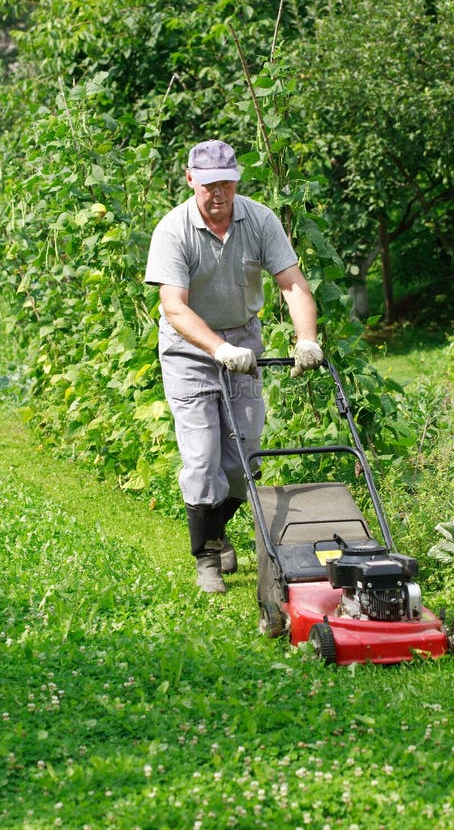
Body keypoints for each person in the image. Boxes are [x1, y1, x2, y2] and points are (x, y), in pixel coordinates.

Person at [145, 139, 323, 593]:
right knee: (203, 458)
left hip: (245, 343)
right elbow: (174, 308)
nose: (217, 192)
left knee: (245, 458)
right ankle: (206, 557)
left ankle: (215, 530)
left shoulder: (259, 219)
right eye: (208, 184)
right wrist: (217, 349)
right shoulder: (173, 231)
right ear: (190, 180)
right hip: (190, 351)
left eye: (226, 182)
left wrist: (306, 339)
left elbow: (294, 285)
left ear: (237, 180)